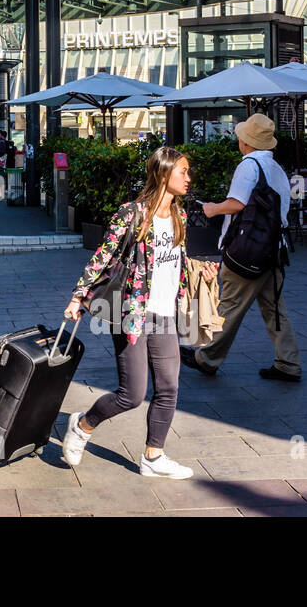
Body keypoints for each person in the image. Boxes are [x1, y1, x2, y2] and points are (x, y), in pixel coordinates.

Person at [63, 146, 213, 480]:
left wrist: (200, 269)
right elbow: (103, 256)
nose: (189, 178)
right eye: (183, 171)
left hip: (165, 316)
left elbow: (176, 260)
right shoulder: (131, 214)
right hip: (133, 314)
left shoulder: (179, 215)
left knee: (169, 387)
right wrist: (78, 297)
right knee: (131, 395)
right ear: (163, 174)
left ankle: (153, 457)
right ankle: (83, 425)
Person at [180, 114, 301, 382]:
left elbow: (236, 203)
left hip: (248, 251)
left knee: (230, 305)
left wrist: (212, 209)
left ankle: (207, 358)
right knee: (274, 309)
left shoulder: (248, 166)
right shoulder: (276, 169)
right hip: (274, 250)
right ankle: (288, 362)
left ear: (245, 142)